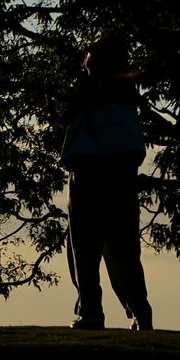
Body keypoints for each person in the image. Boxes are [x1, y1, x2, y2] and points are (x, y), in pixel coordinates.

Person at [61, 34, 160, 331]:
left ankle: (93, 312)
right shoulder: (126, 91)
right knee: (120, 249)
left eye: (91, 61)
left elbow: (69, 123)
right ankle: (137, 312)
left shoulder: (91, 91)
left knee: (87, 248)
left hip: (92, 171)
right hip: (118, 173)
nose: (87, 66)